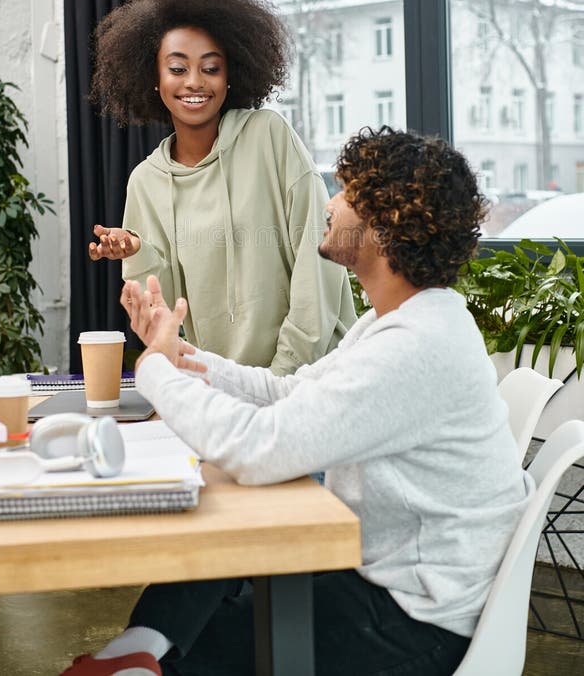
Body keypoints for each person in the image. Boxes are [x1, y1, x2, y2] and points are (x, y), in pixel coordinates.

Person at [64, 126, 533, 676]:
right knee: (219, 555)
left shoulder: (416, 346)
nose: (330, 201)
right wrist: (185, 355)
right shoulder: (404, 319)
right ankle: (135, 654)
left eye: (348, 193)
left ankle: (137, 661)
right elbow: (290, 391)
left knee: (202, 645)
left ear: (388, 226)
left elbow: (260, 448)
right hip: (386, 583)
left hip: (414, 625)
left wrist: (156, 370)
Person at [87, 0, 355, 375]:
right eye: (177, 68)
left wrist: (280, 378)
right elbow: (164, 312)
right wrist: (137, 253)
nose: (194, 82)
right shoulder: (146, 181)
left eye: (210, 68)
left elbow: (317, 261)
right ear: (153, 79)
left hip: (316, 375)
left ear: (230, 77)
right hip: (228, 388)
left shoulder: (270, 136)